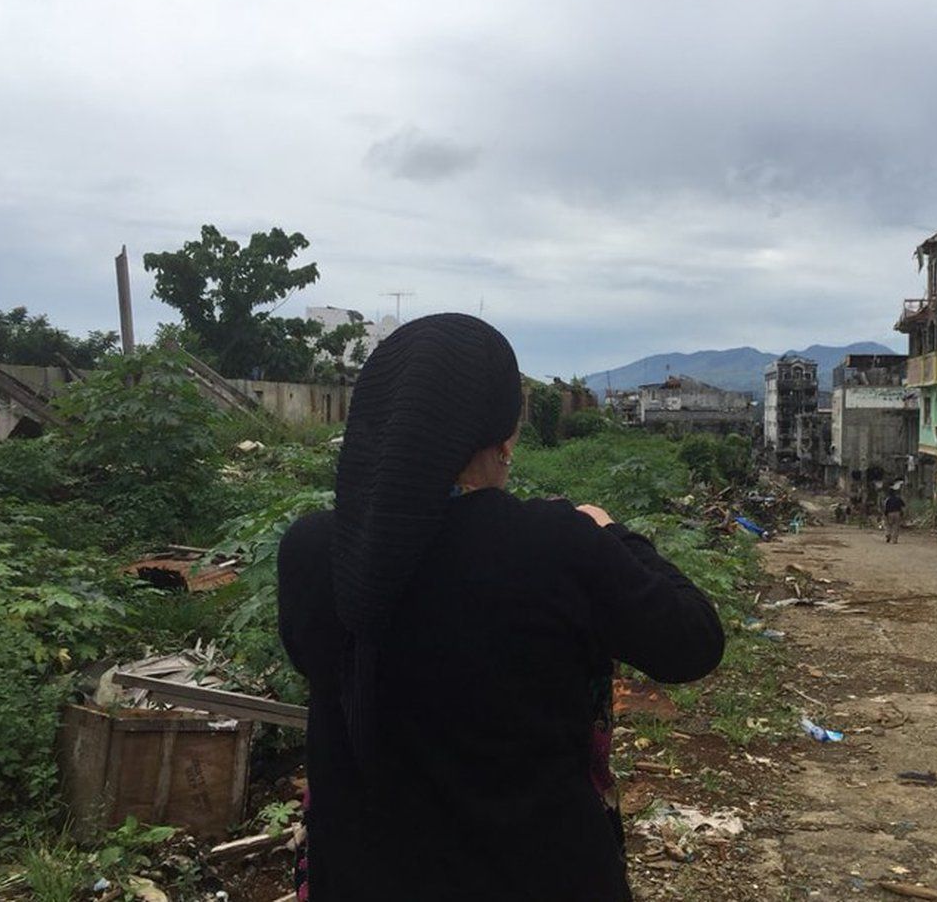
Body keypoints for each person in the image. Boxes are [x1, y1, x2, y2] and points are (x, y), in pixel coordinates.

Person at [275, 314, 724, 901]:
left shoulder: (311, 551)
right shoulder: (556, 545)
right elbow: (693, 641)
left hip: (363, 876)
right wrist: (613, 532)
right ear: (505, 433)